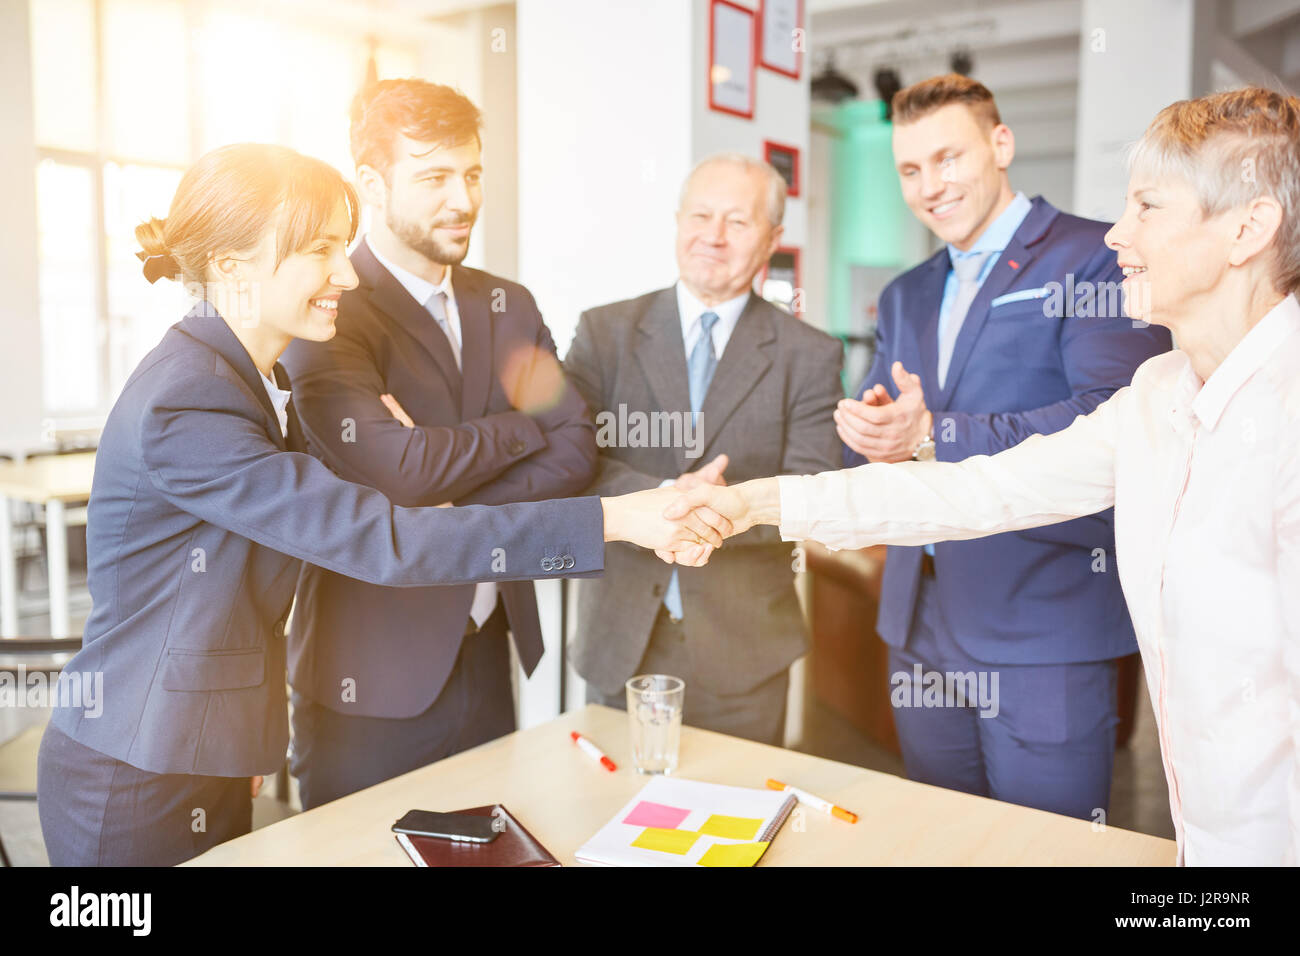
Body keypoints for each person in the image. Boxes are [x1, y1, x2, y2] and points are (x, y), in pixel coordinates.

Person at [34, 142, 721, 866]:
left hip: (198, 746)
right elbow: (385, 541)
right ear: (233, 267)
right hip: (136, 772)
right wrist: (616, 521)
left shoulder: (251, 382)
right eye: (320, 250)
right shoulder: (190, 397)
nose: (344, 273)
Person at [672, 86, 1300, 866]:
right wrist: (749, 502)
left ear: (1249, 228)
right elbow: (979, 490)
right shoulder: (1157, 396)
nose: (1116, 233)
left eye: (1147, 207)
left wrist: (934, 432)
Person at [832, 74, 1171, 820]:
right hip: (916, 621)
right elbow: (879, 434)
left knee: (1048, 849)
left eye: (948, 158)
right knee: (945, 836)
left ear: (1001, 144)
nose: (930, 186)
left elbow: (1109, 422)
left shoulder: (1095, 258)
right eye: (910, 170)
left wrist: (933, 433)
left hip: (1041, 620)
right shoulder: (904, 293)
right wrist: (872, 427)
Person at [279, 81, 598, 809]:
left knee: (490, 848)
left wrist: (448, 478)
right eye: (434, 177)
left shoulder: (506, 302)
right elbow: (401, 471)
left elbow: (577, 444)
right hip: (368, 682)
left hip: (489, 657)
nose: (463, 199)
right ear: (371, 182)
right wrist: (524, 431)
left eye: (473, 173)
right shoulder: (329, 308)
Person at [563, 153, 843, 745]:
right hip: (619, 639)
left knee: (736, 825)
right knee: (610, 813)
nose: (713, 236)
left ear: (772, 237)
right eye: (701, 215)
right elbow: (569, 464)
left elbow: (814, 489)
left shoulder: (809, 354)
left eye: (737, 222)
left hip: (744, 651)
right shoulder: (603, 333)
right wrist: (667, 497)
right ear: (678, 222)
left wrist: (727, 504)